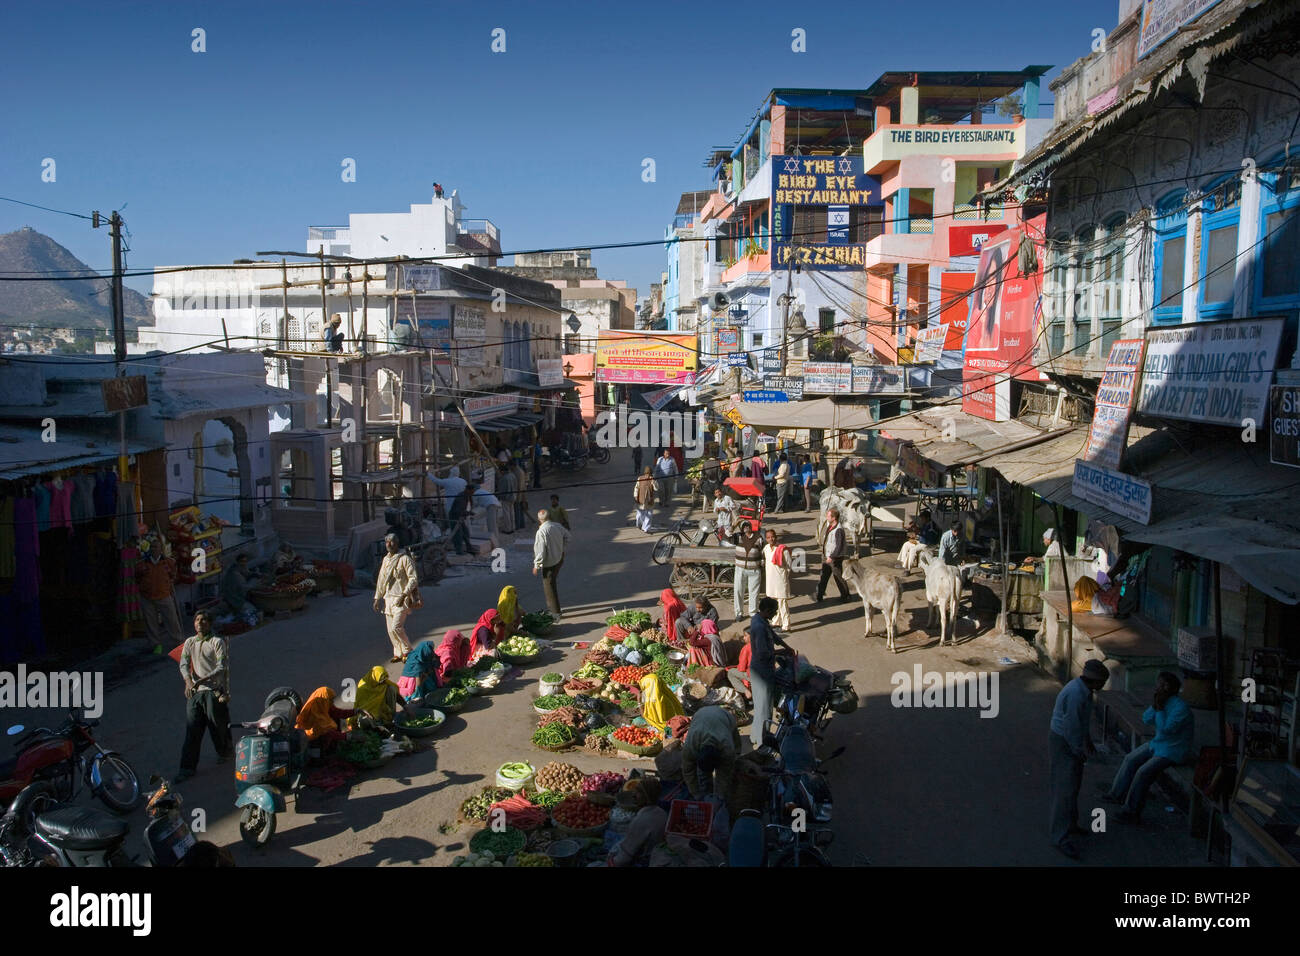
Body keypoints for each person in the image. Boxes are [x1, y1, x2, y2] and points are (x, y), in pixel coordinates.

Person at [1102, 671, 1194, 824]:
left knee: (1143, 773)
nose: (1157, 688)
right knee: (1130, 759)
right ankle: (1116, 794)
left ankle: (1131, 811)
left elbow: (1166, 730)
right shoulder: (1164, 701)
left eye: (1160, 686)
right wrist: (1156, 706)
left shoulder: (1181, 709)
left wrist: (1159, 710)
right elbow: (1146, 719)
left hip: (1173, 750)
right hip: (1158, 744)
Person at [1049, 658, 1110, 859]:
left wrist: (1088, 741)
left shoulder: (1084, 690)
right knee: (1065, 790)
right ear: (1096, 681)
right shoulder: (1077, 694)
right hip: (1064, 741)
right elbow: (1072, 727)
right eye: (1102, 682)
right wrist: (1078, 750)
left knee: (1073, 785)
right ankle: (1060, 838)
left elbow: (1082, 723)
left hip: (1071, 740)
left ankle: (1071, 824)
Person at [176, 612, 232, 782]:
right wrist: (188, 681)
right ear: (194, 624)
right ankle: (187, 768)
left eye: (204, 620)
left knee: (217, 725)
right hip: (195, 692)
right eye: (197, 620)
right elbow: (184, 664)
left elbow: (221, 667)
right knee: (192, 729)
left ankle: (225, 752)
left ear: (210, 624)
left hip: (213, 691)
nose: (200, 623)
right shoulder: (190, 642)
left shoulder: (217, 642)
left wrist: (200, 680)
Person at [748, 597, 791, 749]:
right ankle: (762, 743)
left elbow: (774, 636)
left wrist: (786, 646)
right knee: (765, 708)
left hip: (761, 669)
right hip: (762, 671)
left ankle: (755, 736)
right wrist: (781, 652)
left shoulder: (759, 619)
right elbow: (763, 653)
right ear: (766, 611)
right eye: (773, 611)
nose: (775, 614)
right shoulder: (759, 627)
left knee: (760, 705)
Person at [373, 533, 419, 662]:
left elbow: (413, 578)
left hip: (401, 599)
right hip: (389, 599)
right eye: (387, 541)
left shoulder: (405, 559)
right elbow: (381, 580)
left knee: (396, 627)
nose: (389, 544)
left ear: (397, 543)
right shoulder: (386, 560)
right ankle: (398, 652)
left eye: (392, 541)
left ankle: (408, 650)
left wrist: (404, 594)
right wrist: (377, 598)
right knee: (390, 630)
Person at [137, 533, 182, 653]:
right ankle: (156, 645)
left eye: (156, 547)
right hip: (147, 597)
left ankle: (178, 642)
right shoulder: (142, 564)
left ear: (161, 549)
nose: (153, 549)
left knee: (172, 620)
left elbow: (173, 575)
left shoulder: (168, 562)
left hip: (164, 595)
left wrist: (168, 584)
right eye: (152, 547)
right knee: (151, 623)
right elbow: (137, 577)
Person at [608, 776, 667, 867]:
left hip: (645, 861)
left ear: (647, 797)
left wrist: (611, 861)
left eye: (639, 792)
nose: (634, 795)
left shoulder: (640, 821)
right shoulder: (662, 812)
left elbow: (625, 858)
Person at [681, 705, 738, 799]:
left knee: (734, 760)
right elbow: (688, 771)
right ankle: (706, 791)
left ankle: (713, 795)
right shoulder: (691, 746)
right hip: (700, 714)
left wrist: (719, 797)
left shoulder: (727, 747)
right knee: (703, 777)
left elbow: (724, 774)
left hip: (724, 716)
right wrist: (696, 794)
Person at [533, 508, 570, 619]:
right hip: (559, 559)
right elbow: (568, 536)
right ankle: (555, 610)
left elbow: (540, 551)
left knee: (549, 586)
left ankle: (555, 613)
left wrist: (536, 565)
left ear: (539, 520)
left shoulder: (541, 532)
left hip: (549, 563)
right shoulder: (557, 526)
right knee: (552, 582)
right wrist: (562, 549)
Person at [294, 686, 355, 752]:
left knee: (335, 719)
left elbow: (336, 712)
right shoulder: (315, 714)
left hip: (321, 736)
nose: (332, 702)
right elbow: (328, 733)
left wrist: (355, 711)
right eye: (330, 700)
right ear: (324, 700)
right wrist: (348, 736)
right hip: (311, 743)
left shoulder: (323, 706)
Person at [816, 508, 850, 603]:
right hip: (827, 556)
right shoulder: (830, 526)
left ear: (834, 518)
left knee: (838, 576)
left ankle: (846, 595)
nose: (826, 517)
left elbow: (839, 545)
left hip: (835, 558)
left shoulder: (839, 530)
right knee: (824, 576)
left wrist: (832, 557)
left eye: (828, 516)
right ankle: (819, 595)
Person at [731, 523, 764, 621]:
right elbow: (726, 536)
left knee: (754, 592)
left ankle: (753, 613)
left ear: (751, 527)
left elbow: (763, 552)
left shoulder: (758, 538)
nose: (746, 528)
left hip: (754, 569)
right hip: (740, 569)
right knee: (738, 590)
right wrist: (733, 526)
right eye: (744, 526)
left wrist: (762, 564)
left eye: (747, 526)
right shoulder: (737, 536)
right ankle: (739, 613)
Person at [763, 527, 793, 630]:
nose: (771, 539)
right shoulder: (766, 548)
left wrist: (784, 576)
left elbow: (789, 565)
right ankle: (776, 621)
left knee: (782, 603)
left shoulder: (782, 549)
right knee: (773, 603)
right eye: (768, 537)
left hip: (780, 580)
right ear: (766, 539)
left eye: (772, 537)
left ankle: (786, 625)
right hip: (770, 580)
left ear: (776, 537)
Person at [220, 553, 259, 617]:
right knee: (252, 611)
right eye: (242, 561)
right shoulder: (234, 574)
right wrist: (257, 585)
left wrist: (256, 574)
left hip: (239, 595)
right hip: (235, 599)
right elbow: (245, 587)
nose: (244, 563)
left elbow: (247, 573)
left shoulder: (241, 567)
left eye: (245, 561)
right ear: (237, 562)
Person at [727, 628, 753, 700]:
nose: (743, 638)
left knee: (731, 672)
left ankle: (746, 691)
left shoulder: (746, 648)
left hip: (753, 675)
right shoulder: (763, 643)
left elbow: (741, 668)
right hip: (767, 673)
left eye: (745, 636)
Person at [447, 485, 474, 555]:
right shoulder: (461, 497)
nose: (473, 493)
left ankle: (469, 548)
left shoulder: (467, 496)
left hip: (459, 517)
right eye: (472, 491)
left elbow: (469, 505)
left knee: (466, 532)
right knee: (458, 535)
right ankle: (459, 551)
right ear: (468, 490)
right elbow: (458, 511)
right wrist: (468, 513)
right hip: (454, 517)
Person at [634, 466, 656, 533]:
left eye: (648, 474)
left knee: (648, 514)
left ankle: (646, 528)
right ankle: (640, 525)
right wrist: (635, 496)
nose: (647, 475)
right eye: (647, 474)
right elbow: (636, 488)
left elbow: (656, 488)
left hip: (649, 500)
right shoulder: (640, 478)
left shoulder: (652, 480)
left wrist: (654, 481)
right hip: (641, 499)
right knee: (640, 514)